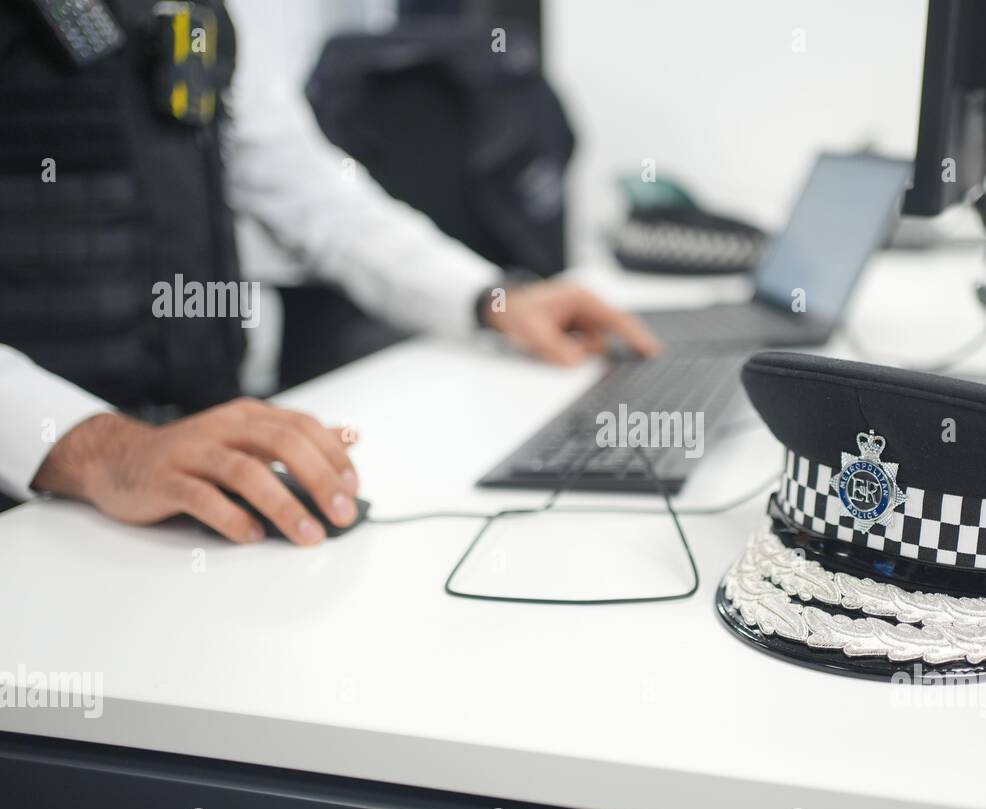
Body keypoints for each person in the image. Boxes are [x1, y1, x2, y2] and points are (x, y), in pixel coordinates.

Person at [0, 0, 659, 545]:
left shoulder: (191, 19)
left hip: (190, 495)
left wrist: (494, 298)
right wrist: (98, 448)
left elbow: (319, 200)